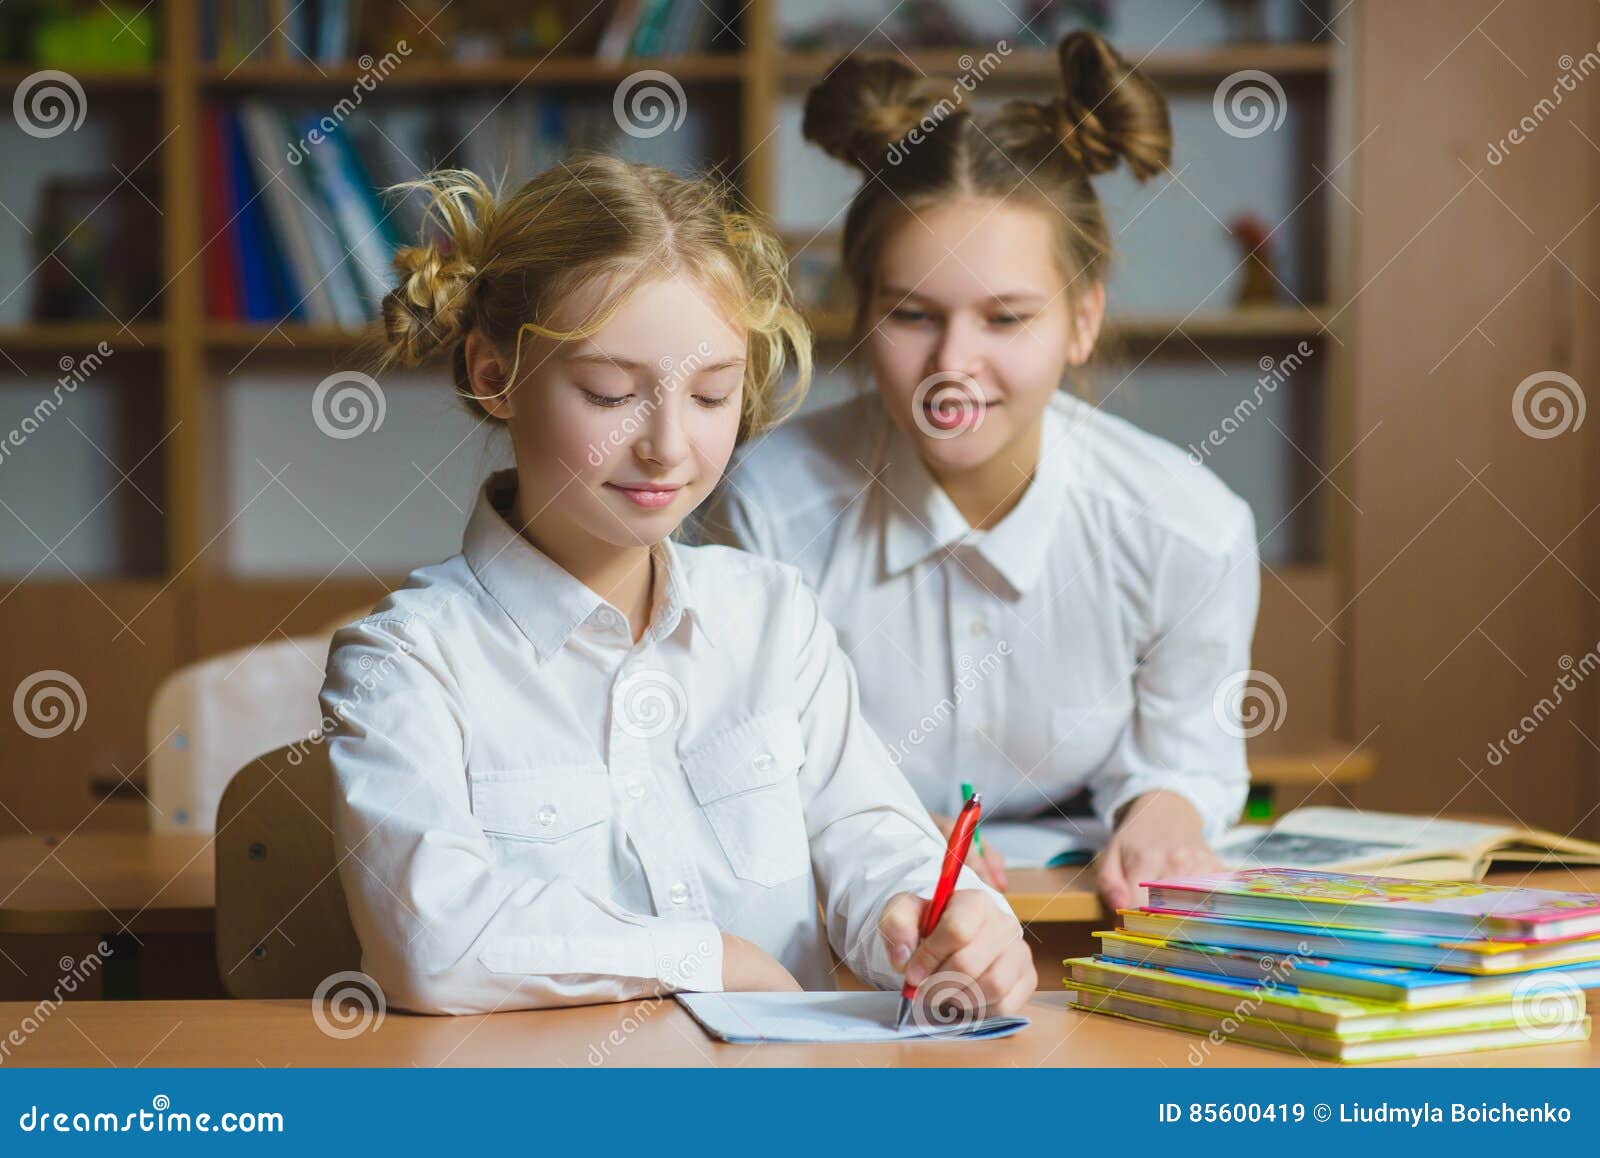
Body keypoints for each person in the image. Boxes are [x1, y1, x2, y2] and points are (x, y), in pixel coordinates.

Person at [317, 156, 1035, 1015]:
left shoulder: (773, 617)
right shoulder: (406, 662)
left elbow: (867, 833)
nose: (666, 446)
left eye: (711, 394)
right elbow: (430, 939)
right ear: (493, 375)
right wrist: (705, 958)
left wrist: (944, 918)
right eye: (611, 393)